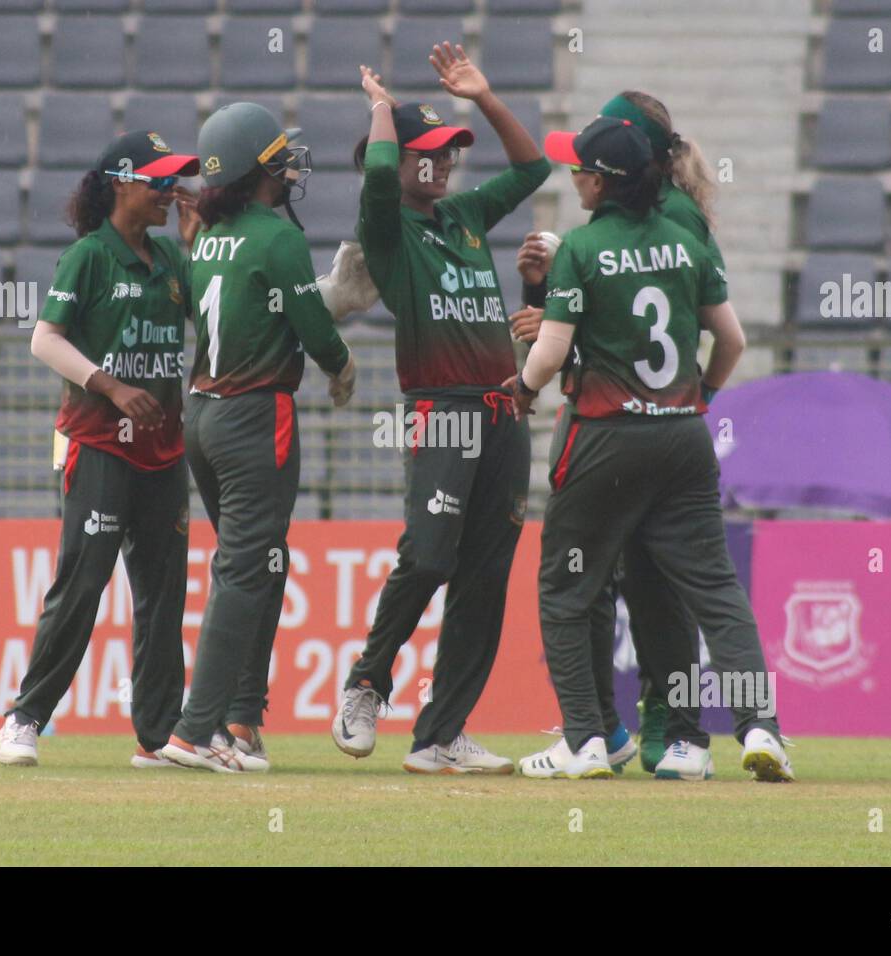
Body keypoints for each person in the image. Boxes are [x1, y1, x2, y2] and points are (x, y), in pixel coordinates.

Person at [507, 115, 794, 782]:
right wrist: (702, 397)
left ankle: (584, 742)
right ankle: (762, 730)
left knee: (565, 588)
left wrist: (520, 389)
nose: (574, 174)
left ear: (603, 182)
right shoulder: (684, 239)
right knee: (717, 592)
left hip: (606, 439)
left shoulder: (580, 246)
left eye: (581, 168)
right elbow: (733, 342)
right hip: (683, 438)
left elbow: (549, 353)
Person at [330, 45, 549, 774]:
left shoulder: (460, 216)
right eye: (433, 152)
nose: (447, 162)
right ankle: (366, 683)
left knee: (485, 576)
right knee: (428, 555)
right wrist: (382, 113)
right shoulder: (386, 229)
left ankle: (440, 736)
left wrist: (483, 99)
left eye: (451, 150)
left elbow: (531, 170)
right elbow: (384, 172)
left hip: (504, 410)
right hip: (442, 410)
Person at [159, 103, 356, 773]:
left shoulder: (208, 237)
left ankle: (242, 720)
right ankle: (196, 731)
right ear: (254, 167)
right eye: (278, 155)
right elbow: (312, 326)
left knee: (261, 565)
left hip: (202, 417)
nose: (290, 163)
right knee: (246, 570)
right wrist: (343, 367)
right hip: (253, 417)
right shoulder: (276, 236)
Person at [0, 131, 199, 769]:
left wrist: (197, 248)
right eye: (158, 181)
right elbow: (44, 339)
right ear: (122, 182)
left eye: (175, 181)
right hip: (99, 444)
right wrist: (110, 385)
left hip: (164, 453)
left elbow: (214, 315)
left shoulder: (170, 259)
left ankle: (158, 737)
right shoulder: (88, 256)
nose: (170, 192)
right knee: (83, 584)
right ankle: (24, 720)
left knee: (163, 593)